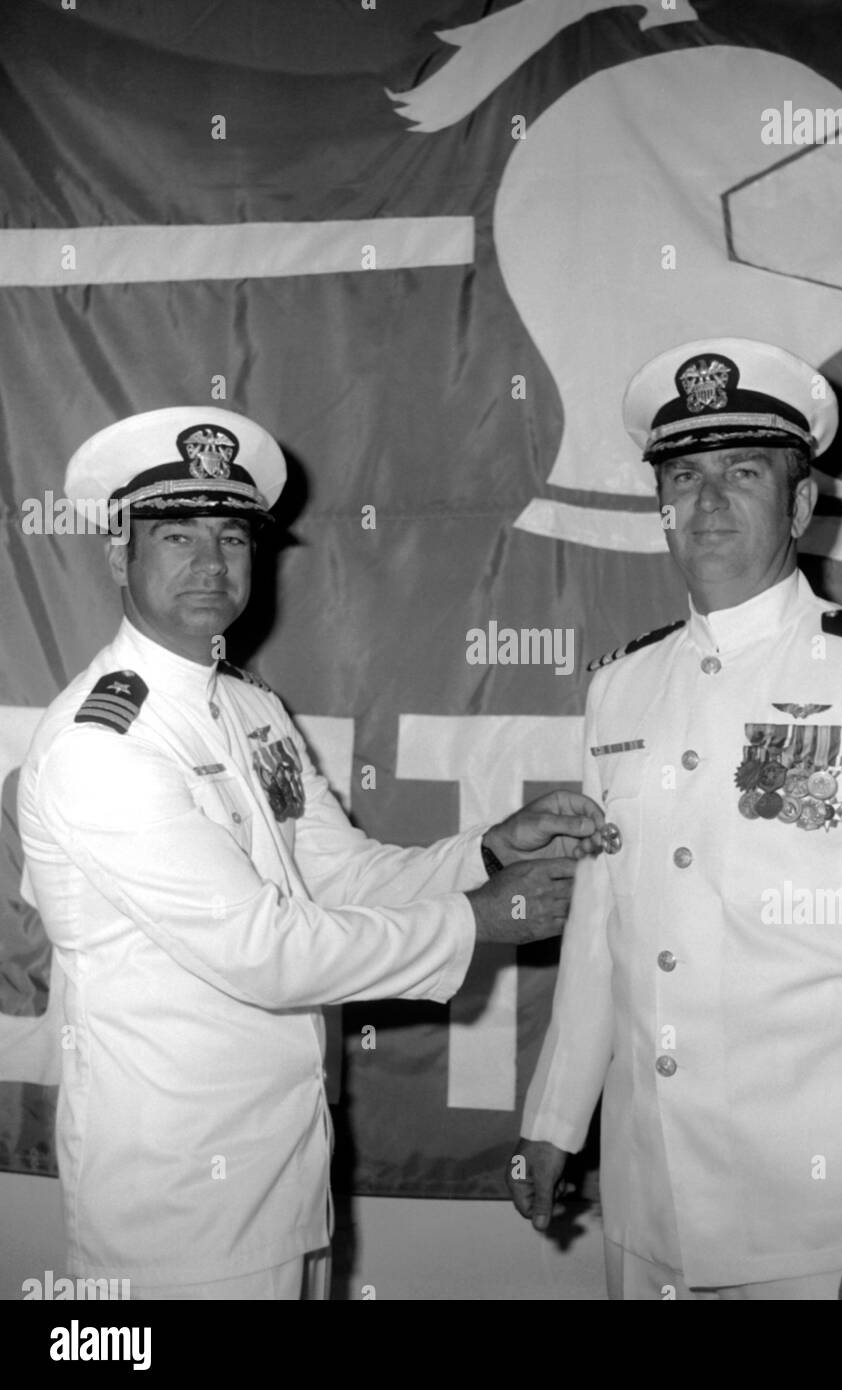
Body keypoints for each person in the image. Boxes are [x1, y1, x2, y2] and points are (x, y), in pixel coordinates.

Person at [18, 406, 602, 1300]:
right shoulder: (105, 741)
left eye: (231, 536)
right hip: (174, 1208)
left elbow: (341, 875)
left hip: (290, 1173)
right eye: (177, 535)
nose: (211, 564)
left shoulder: (250, 709)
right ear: (117, 555)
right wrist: (480, 919)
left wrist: (486, 853)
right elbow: (266, 952)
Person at [508, 338, 842, 1300]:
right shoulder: (621, 686)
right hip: (649, 1203)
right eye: (684, 476)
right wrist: (557, 1117)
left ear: (803, 503)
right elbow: (604, 923)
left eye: (744, 473)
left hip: (824, 1225)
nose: (707, 502)